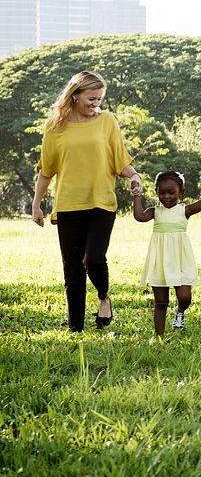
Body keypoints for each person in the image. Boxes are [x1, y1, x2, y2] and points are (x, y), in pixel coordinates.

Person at [30, 71, 142, 332]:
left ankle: (104, 297)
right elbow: (46, 169)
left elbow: (120, 159)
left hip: (101, 202)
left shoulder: (107, 122)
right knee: (72, 269)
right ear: (76, 95)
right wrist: (37, 204)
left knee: (92, 259)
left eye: (100, 99)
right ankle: (76, 330)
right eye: (92, 98)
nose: (96, 104)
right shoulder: (55, 126)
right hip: (69, 204)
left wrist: (134, 175)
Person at [132, 171, 201, 334]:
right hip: (160, 261)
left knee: (185, 297)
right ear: (156, 192)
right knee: (160, 301)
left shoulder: (184, 211)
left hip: (180, 260)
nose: (166, 196)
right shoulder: (155, 211)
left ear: (181, 193)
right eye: (162, 193)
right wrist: (136, 195)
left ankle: (180, 311)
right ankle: (159, 336)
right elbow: (139, 216)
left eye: (171, 192)